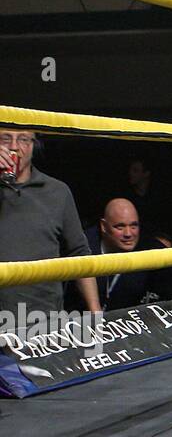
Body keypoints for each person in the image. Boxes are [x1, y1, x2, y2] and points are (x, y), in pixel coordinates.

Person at [0, 130, 99, 316]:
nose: (13, 146)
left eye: (23, 139)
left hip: (42, 318)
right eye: (5, 138)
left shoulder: (57, 192)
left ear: (34, 145)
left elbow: (78, 253)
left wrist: (96, 312)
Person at [72, 198, 169, 311]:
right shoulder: (82, 246)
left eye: (133, 226)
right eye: (120, 227)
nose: (128, 234)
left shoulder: (153, 250)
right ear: (103, 226)